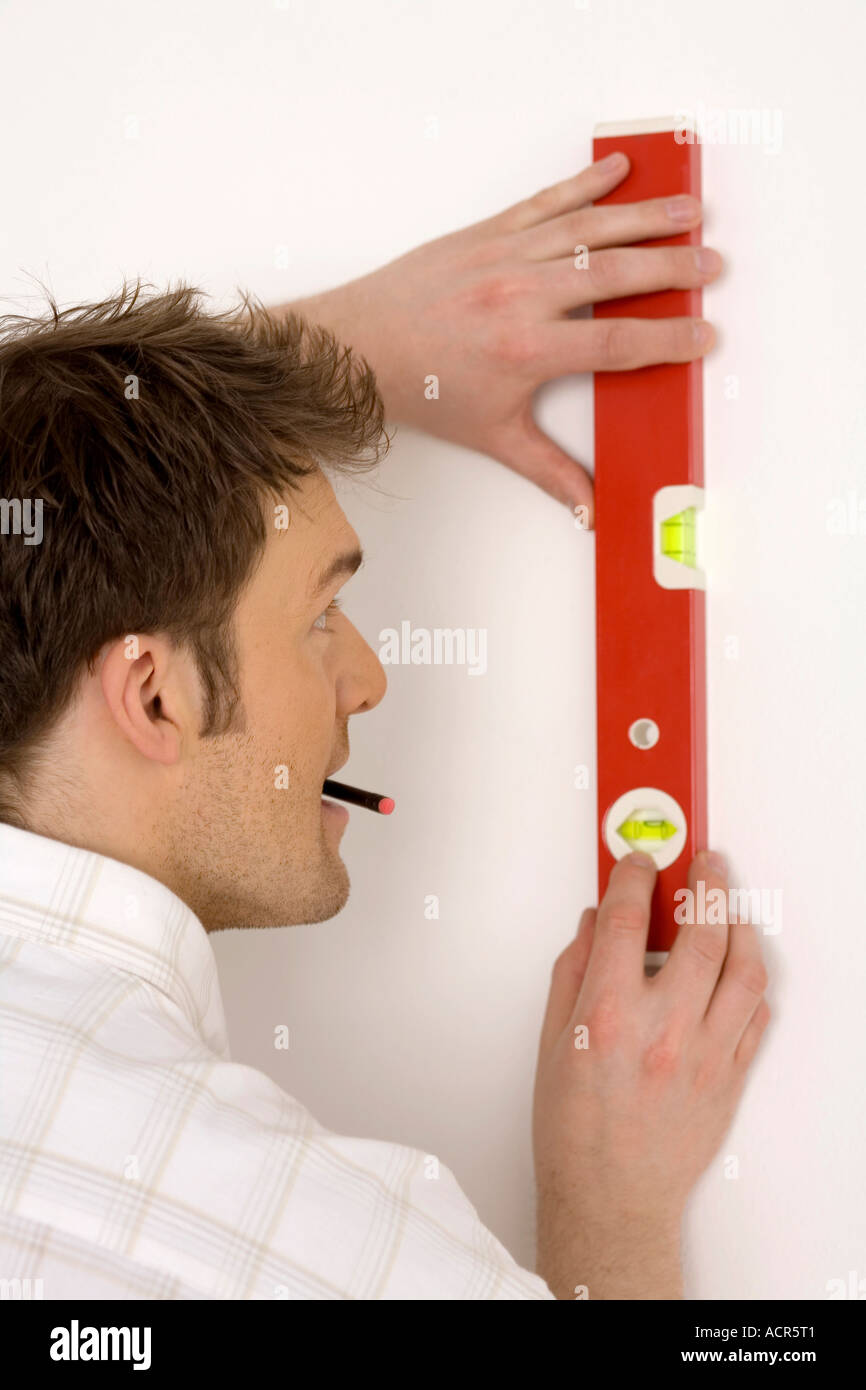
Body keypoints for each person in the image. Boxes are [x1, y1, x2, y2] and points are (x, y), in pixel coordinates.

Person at [0, 153, 768, 1300]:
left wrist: (290, 373)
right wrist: (606, 1211)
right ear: (155, 695)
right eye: (322, 615)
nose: (369, 677)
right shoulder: (315, 1248)